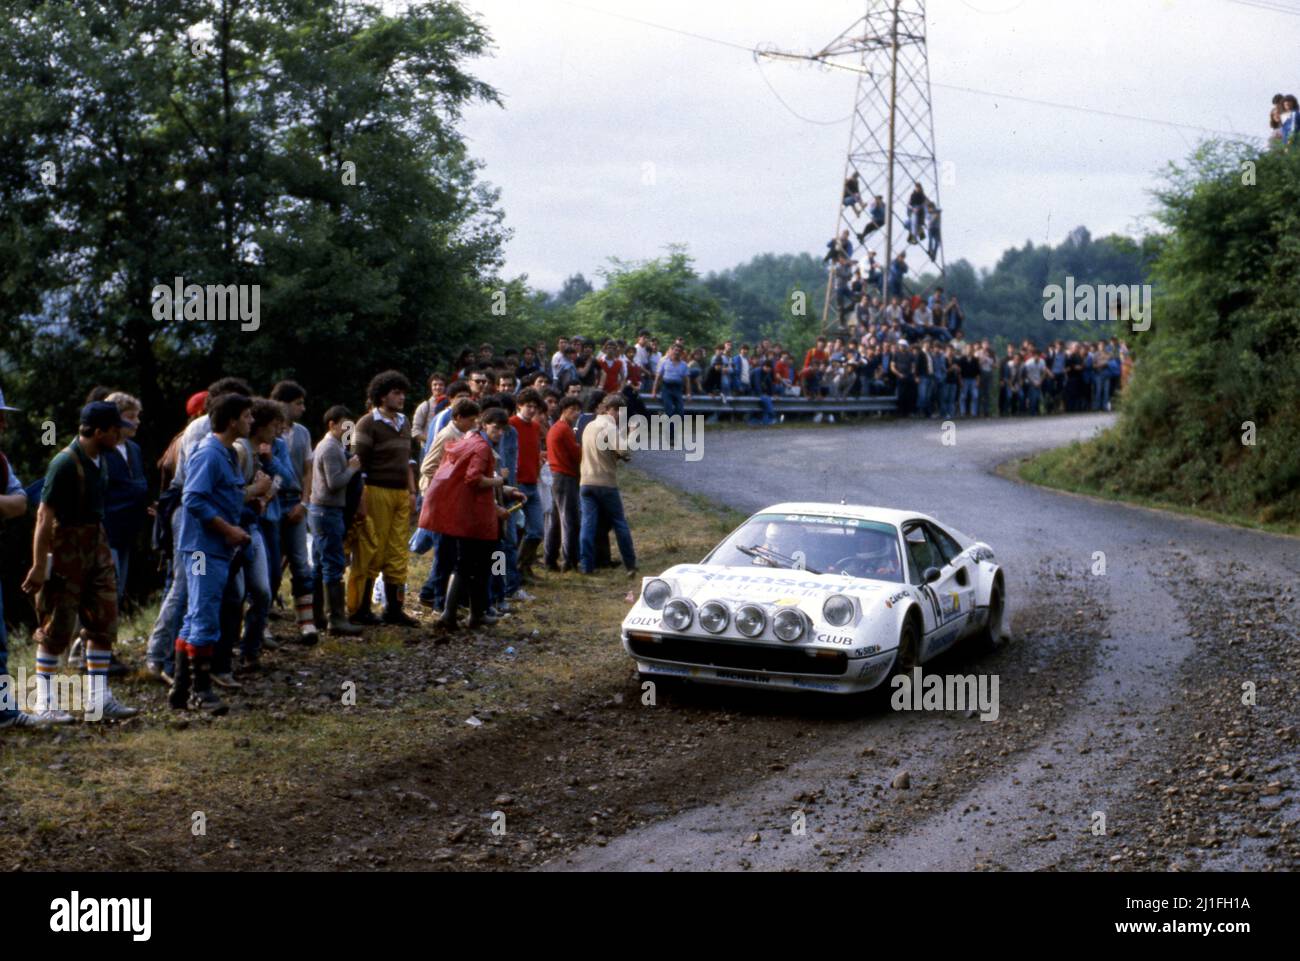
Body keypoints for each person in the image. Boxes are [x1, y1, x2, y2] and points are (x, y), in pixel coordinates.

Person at [23, 402, 140, 722]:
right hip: (66, 550)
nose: (121, 435)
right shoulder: (64, 463)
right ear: (98, 431)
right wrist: (38, 565)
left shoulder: (104, 457)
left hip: (97, 545)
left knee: (104, 619)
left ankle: (99, 700)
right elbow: (43, 516)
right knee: (55, 626)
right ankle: (44, 702)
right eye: (116, 430)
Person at [170, 393, 260, 714]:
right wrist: (228, 530)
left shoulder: (226, 454)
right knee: (205, 616)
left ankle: (181, 689)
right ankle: (201, 691)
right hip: (202, 549)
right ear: (233, 419)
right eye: (248, 416)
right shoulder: (209, 454)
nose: (252, 422)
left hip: (215, 549)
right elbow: (193, 498)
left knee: (196, 615)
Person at [429, 408, 521, 633]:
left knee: (478, 565)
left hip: (475, 513)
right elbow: (474, 480)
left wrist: (506, 490)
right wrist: (499, 482)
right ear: (483, 424)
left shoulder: (471, 441)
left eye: (502, 429)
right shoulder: (480, 447)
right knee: (474, 565)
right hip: (480, 516)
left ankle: (479, 610)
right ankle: (461, 612)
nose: (499, 433)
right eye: (495, 428)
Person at [348, 371, 419, 627]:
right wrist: (361, 499)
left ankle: (394, 608)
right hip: (375, 490)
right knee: (371, 550)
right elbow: (358, 465)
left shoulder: (404, 422)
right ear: (381, 395)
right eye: (395, 393)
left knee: (398, 551)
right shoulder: (367, 423)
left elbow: (409, 460)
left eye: (403, 393)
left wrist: (412, 492)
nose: (401, 398)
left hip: (401, 492)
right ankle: (360, 608)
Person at [0, 386, 46, 728]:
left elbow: (19, 504)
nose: (3, 424)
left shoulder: (0, 460)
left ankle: (3, 711)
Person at [269, 380, 318, 642]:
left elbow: (308, 469)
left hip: (296, 499)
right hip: (270, 501)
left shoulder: (302, 432)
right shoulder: (266, 432)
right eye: (298, 403)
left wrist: (305, 501)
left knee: (301, 561)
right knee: (271, 563)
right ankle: (262, 620)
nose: (302, 408)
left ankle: (306, 621)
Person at [310, 406, 363, 636]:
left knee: (321, 563)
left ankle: (318, 615)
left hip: (321, 511)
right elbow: (334, 482)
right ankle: (336, 619)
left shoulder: (333, 446)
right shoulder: (330, 448)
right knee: (332, 564)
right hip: (327, 510)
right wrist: (351, 469)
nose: (347, 429)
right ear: (332, 424)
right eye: (344, 425)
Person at [578, 394, 637, 577]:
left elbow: (608, 450)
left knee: (588, 524)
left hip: (586, 481)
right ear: (608, 410)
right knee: (620, 523)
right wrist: (633, 431)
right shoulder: (609, 427)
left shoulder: (589, 426)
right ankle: (630, 564)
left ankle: (587, 565)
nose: (619, 415)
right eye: (617, 410)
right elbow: (625, 451)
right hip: (605, 483)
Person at [102, 392, 149, 609]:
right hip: (106, 531)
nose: (137, 421)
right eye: (131, 416)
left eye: (137, 416)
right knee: (107, 588)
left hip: (128, 532)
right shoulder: (101, 452)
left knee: (118, 591)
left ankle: (92, 639)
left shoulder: (135, 449)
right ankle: (85, 639)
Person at [508, 389, 546, 585]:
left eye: (534, 406)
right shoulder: (510, 425)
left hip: (533, 483)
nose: (531, 410)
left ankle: (524, 566)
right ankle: (510, 573)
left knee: (537, 530)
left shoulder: (536, 427)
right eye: (528, 406)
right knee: (513, 531)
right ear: (519, 406)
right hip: (517, 485)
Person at [543, 396, 582, 572]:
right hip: (564, 476)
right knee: (569, 520)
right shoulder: (564, 429)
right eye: (572, 409)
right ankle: (569, 560)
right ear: (563, 410)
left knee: (556, 520)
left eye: (578, 410)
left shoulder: (556, 428)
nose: (576, 413)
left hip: (556, 475)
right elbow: (576, 454)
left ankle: (550, 558)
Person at [651, 344, 691, 445]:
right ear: (671, 351)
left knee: (680, 411)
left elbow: (687, 380)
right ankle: (670, 437)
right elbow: (658, 377)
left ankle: (674, 433)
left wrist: (688, 393)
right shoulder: (665, 363)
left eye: (679, 350)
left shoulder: (684, 365)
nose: (677, 352)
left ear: (682, 353)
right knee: (670, 411)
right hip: (666, 388)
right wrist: (654, 391)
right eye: (675, 350)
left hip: (677, 389)